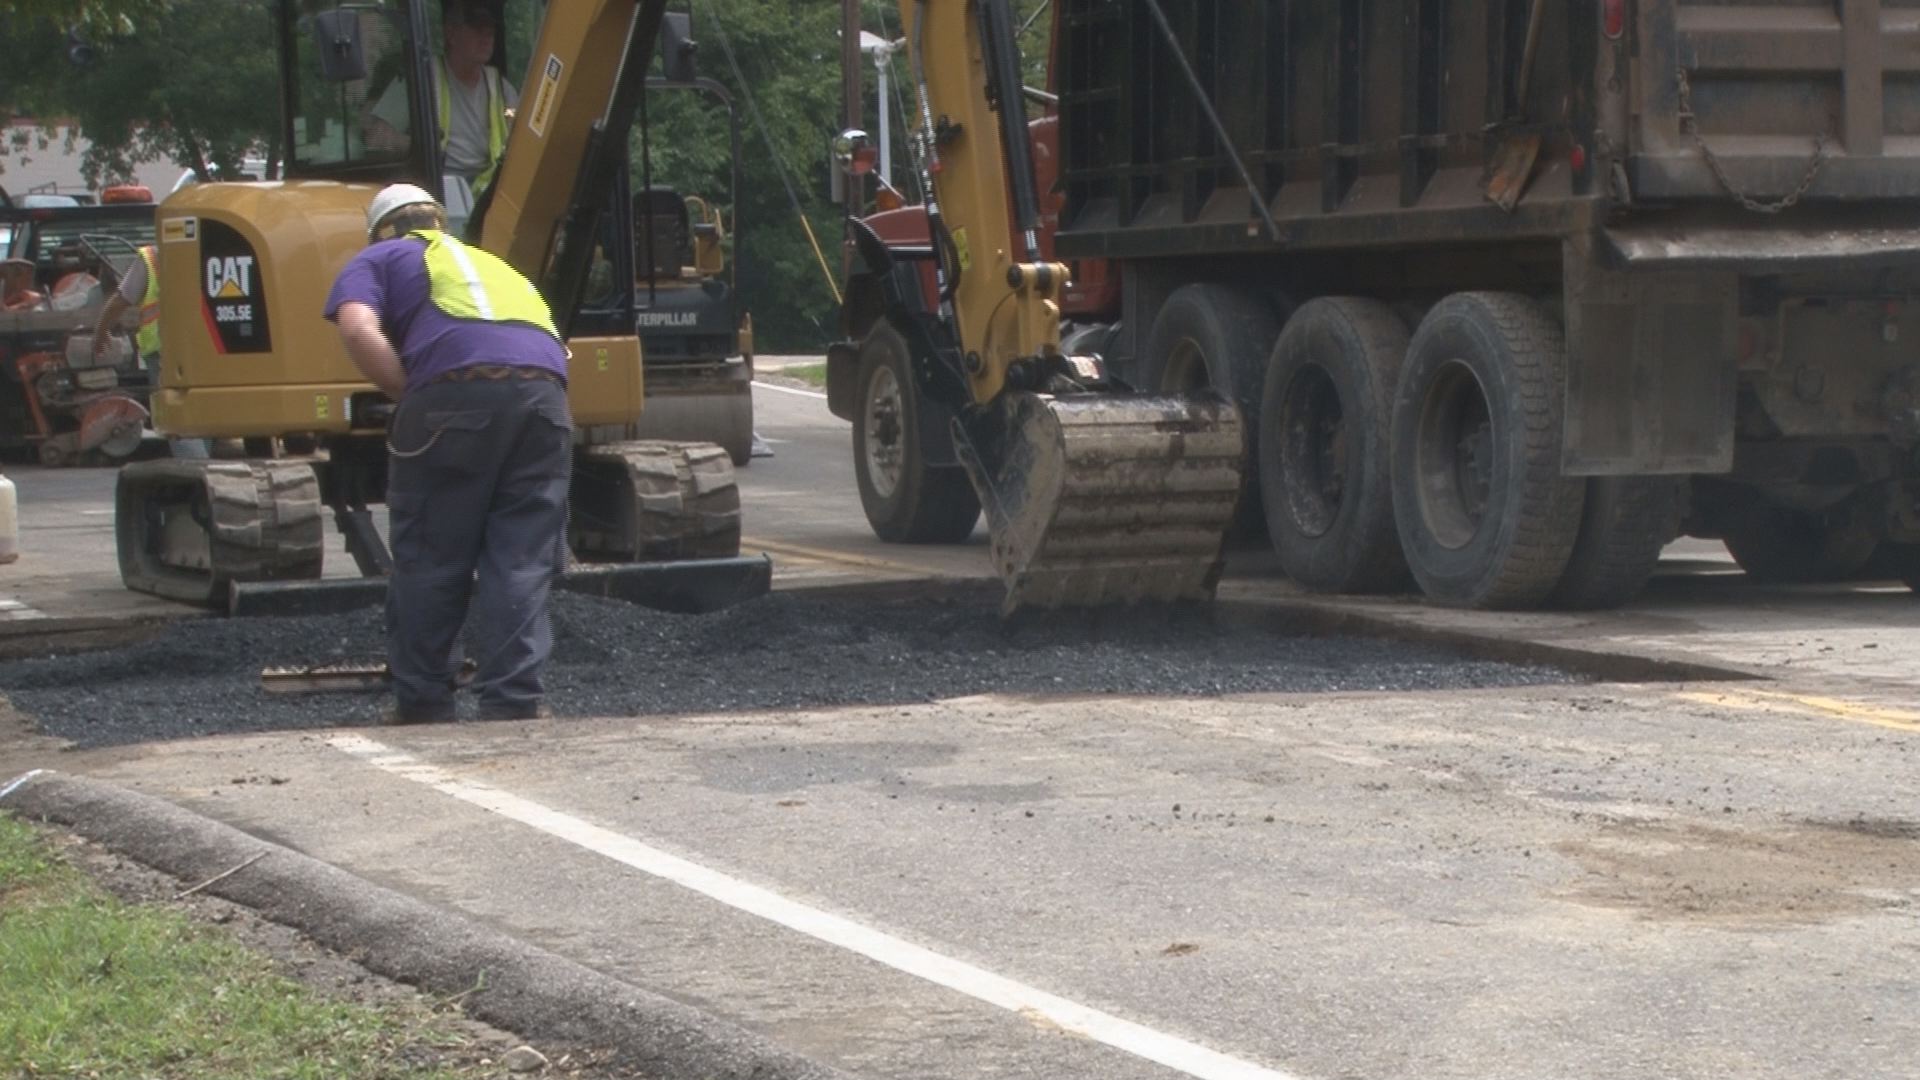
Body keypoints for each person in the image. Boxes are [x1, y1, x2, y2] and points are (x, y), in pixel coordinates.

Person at [325, 183, 572, 724]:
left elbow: (357, 325)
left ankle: (424, 702)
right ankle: (513, 702)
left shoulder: (380, 255)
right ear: (440, 221)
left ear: (383, 229)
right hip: (545, 400)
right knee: (521, 559)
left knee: (433, 557)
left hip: (452, 395)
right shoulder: (493, 265)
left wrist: (411, 394)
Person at [367, 0, 517, 193]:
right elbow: (377, 137)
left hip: (490, 195)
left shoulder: (501, 87)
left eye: (490, 31)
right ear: (451, 33)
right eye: (477, 28)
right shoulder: (422, 77)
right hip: (438, 189)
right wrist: (421, 148)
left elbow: (522, 141)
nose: (486, 37)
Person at [89, 245, 209, 458]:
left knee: (177, 412)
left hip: (166, 349)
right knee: (204, 410)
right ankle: (204, 466)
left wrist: (100, 331)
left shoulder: (153, 257)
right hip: (209, 346)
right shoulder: (214, 247)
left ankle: (196, 468)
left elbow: (121, 300)